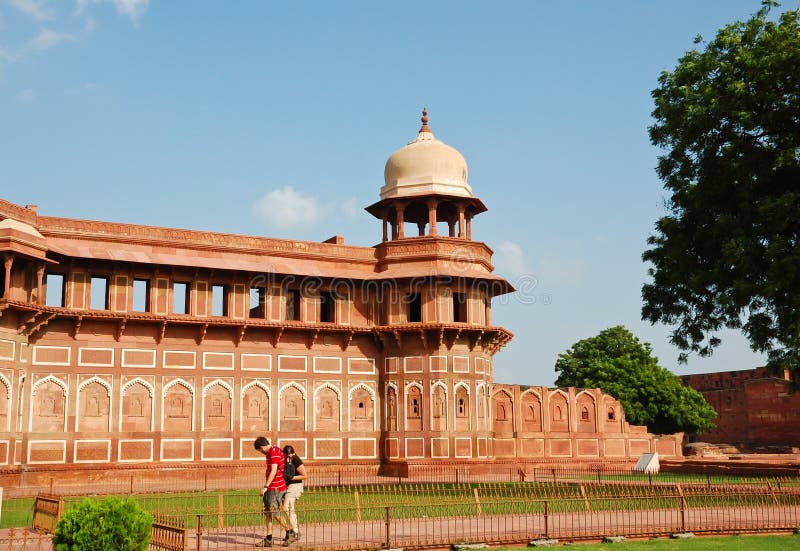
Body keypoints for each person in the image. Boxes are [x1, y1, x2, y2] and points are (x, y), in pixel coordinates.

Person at [253, 436, 290, 547]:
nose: (261, 453)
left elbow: (274, 471)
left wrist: (265, 486)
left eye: (260, 451)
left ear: (261, 447)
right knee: (268, 512)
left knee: (274, 512)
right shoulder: (272, 451)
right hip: (272, 487)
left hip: (275, 487)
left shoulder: (273, 452)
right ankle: (269, 538)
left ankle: (290, 531)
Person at [280, 445, 307, 546]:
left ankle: (295, 532)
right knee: (286, 508)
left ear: (293, 453)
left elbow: (304, 475)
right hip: (287, 486)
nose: (289, 458)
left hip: (295, 486)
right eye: (287, 456)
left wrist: (291, 477)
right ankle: (293, 530)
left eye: (290, 456)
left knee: (288, 507)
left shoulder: (296, 459)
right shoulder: (286, 459)